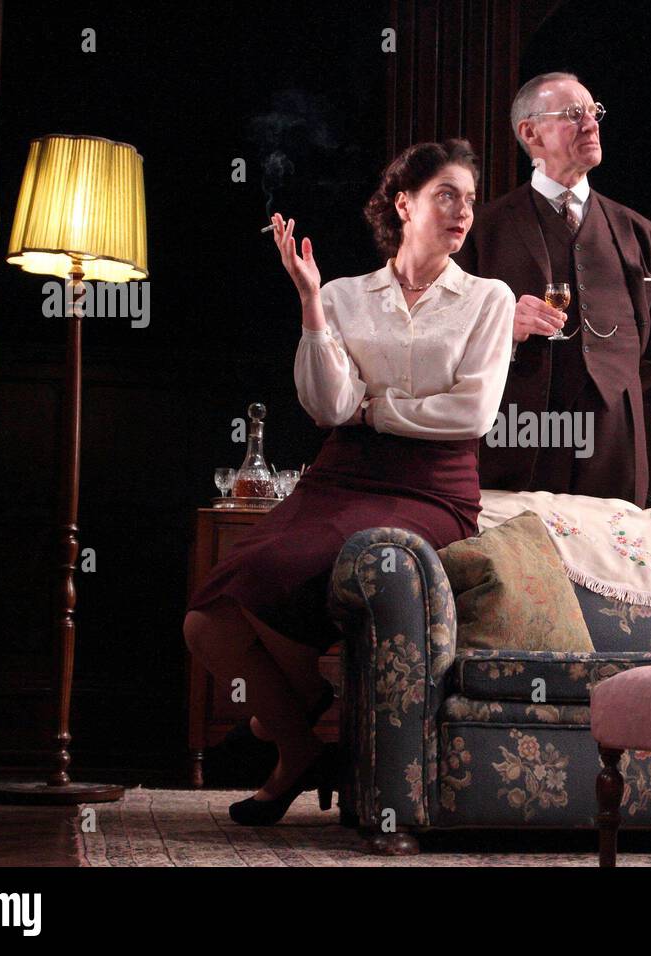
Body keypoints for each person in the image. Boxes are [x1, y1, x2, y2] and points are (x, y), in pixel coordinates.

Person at [184, 139, 514, 826]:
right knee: (206, 621)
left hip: (432, 489)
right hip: (339, 477)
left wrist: (377, 407)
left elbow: (472, 412)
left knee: (291, 575)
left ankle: (291, 741)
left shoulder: (487, 299)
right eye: (446, 194)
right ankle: (304, 747)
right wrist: (309, 301)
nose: (462, 212)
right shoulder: (342, 295)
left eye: (470, 200)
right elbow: (328, 407)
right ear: (404, 203)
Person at [455, 71, 651, 508]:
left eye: (594, 113)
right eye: (574, 114)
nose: (591, 124)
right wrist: (505, 331)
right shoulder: (481, 232)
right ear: (530, 133)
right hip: (516, 437)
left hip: (615, 450)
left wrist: (613, 395)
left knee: (608, 571)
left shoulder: (641, 234)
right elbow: (447, 342)